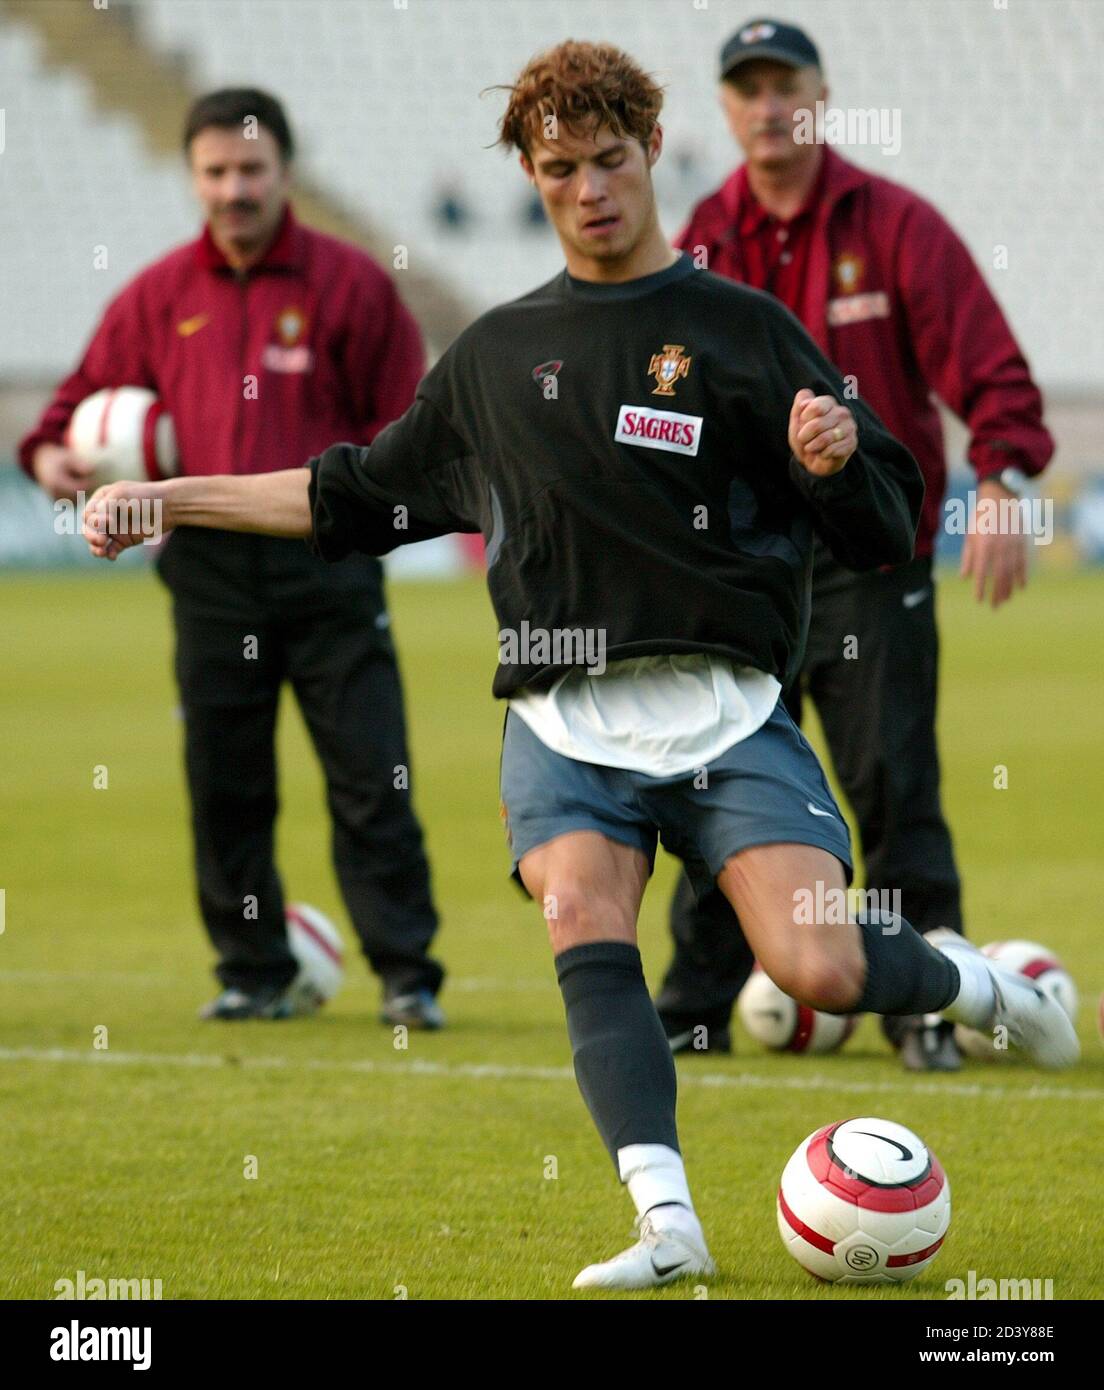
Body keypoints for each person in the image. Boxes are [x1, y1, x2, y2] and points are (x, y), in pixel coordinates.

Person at [82, 42, 1077, 1290]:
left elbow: (880, 524)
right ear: (532, 175)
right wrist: (166, 496)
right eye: (560, 167)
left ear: (652, 153)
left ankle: (990, 989)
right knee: (584, 924)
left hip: (725, 717)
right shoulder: (498, 359)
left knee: (817, 965)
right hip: (562, 727)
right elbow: (346, 491)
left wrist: (838, 458)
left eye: (610, 159)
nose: (590, 186)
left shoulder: (745, 333)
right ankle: (668, 1224)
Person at [657, 18, 1055, 1070]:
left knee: (891, 784)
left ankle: (922, 1006)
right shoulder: (702, 232)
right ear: (728, 106)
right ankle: (693, 1005)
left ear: (821, 96)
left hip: (872, 555)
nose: (765, 102)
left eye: (784, 81)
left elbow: (992, 369)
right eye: (745, 86)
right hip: (740, 568)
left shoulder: (896, 227)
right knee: (719, 779)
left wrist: (1006, 475)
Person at [23, 88, 445, 1027]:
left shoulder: (352, 286)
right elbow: (65, 418)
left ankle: (407, 977)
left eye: (250, 170)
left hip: (330, 566)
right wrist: (57, 459)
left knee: (372, 779)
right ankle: (252, 971)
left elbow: (408, 433)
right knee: (226, 782)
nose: (233, 188)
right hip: (208, 578)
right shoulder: (156, 295)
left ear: (284, 172)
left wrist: (374, 511)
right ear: (192, 178)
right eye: (215, 172)